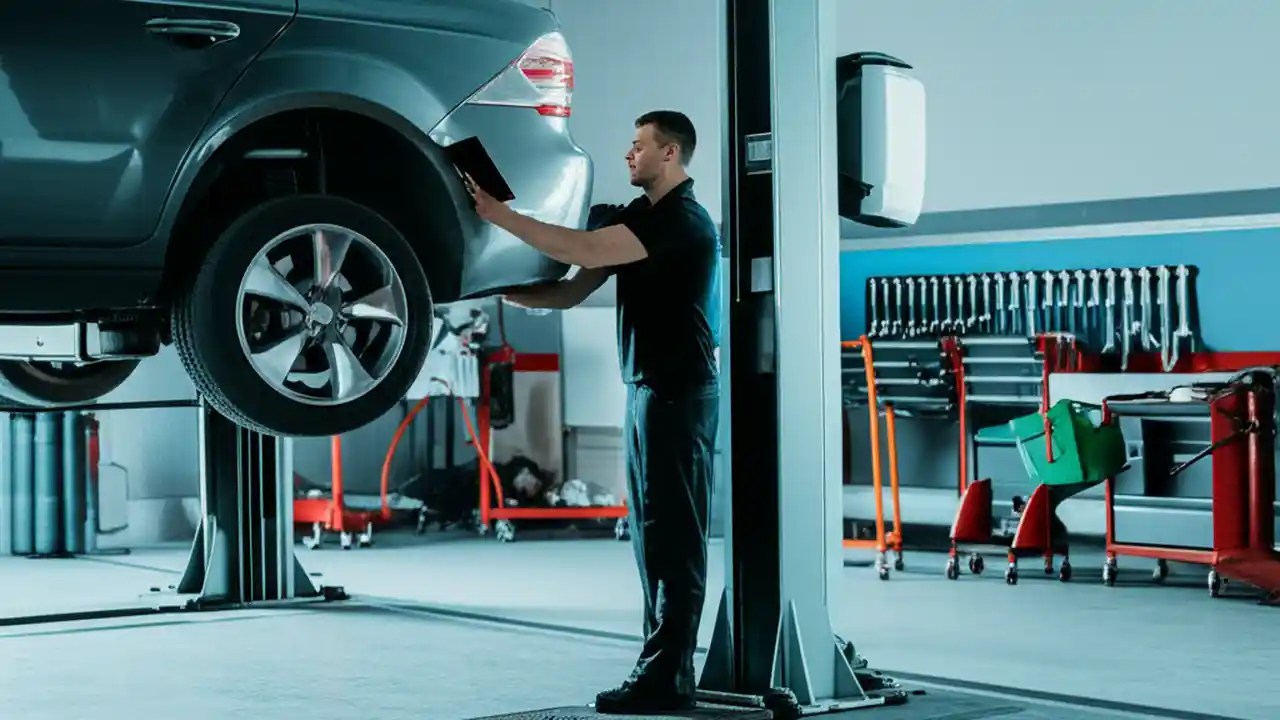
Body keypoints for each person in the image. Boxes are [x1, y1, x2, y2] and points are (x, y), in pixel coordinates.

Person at [465, 109, 721, 714]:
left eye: (639, 146)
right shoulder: (640, 219)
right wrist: (488, 288)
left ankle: (669, 678)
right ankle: (659, 670)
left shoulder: (683, 223)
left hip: (679, 396)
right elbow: (571, 287)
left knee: (674, 541)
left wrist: (501, 217)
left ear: (672, 154)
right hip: (645, 392)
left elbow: (577, 246)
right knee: (651, 538)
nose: (629, 155)